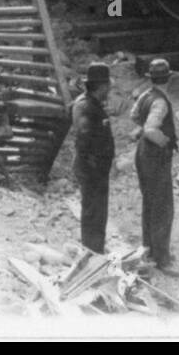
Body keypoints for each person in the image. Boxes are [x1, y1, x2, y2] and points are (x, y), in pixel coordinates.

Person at [131, 58, 179, 274]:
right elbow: (151, 129)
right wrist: (164, 141)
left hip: (142, 153)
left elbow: (134, 116)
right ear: (168, 79)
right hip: (155, 155)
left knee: (150, 202)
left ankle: (150, 249)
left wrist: (146, 130)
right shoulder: (160, 102)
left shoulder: (145, 95)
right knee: (163, 206)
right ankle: (162, 259)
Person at [71, 62, 115, 253]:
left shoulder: (91, 103)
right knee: (93, 212)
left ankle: (95, 250)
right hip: (91, 168)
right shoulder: (86, 106)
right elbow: (83, 136)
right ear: (102, 86)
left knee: (97, 211)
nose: (110, 88)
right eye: (108, 85)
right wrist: (93, 163)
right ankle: (92, 253)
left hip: (95, 167)